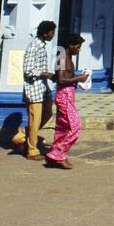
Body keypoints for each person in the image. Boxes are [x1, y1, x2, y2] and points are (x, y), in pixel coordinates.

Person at [12, 21, 56, 161]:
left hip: (42, 88)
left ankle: (23, 135)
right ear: (45, 33)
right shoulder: (33, 46)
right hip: (33, 88)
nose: (53, 35)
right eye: (52, 32)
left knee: (47, 113)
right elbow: (28, 70)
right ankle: (32, 150)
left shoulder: (42, 45)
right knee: (35, 120)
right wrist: (46, 74)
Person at [45, 34, 89, 169]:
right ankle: (57, 153)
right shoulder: (62, 57)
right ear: (71, 45)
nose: (79, 50)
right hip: (64, 95)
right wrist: (79, 78)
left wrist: (79, 77)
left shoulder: (67, 57)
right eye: (78, 47)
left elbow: (64, 76)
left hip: (68, 94)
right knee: (75, 126)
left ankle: (55, 155)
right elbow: (61, 80)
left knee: (62, 127)